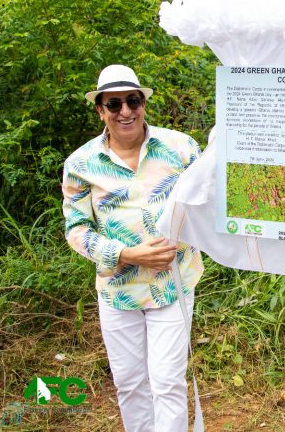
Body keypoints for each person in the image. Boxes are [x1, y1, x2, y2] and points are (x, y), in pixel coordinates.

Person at [62, 65, 204, 432]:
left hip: (172, 284)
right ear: (100, 110)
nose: (125, 111)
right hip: (118, 291)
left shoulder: (182, 147)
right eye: (114, 103)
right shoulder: (80, 164)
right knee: (129, 383)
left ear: (143, 103)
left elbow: (208, 200)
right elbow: (76, 229)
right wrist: (125, 254)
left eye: (133, 100)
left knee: (167, 382)